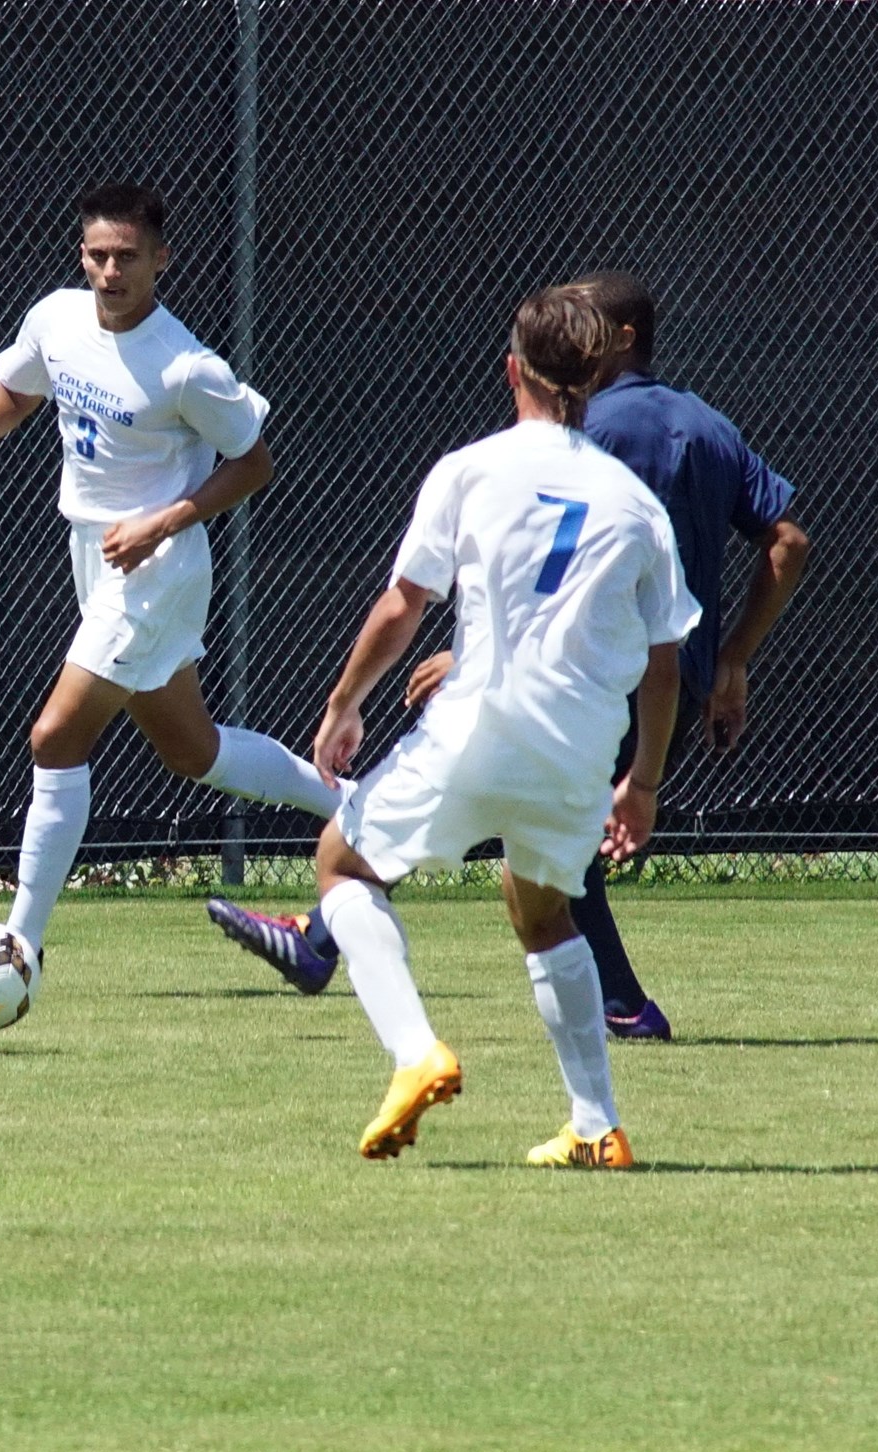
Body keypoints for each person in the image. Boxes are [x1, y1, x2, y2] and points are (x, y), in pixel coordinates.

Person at [208, 270, 810, 1041]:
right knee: (549, 841)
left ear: (618, 340)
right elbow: (787, 542)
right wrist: (730, 660)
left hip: (579, 672)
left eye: (584, 322)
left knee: (541, 855)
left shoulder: (586, 432)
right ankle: (326, 936)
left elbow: (550, 560)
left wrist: (469, 660)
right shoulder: (710, 426)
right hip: (667, 674)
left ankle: (615, 1008)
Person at [304, 286, 700, 1165]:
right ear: (595, 376)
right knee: (542, 909)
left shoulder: (471, 469)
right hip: (583, 745)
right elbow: (667, 663)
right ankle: (597, 1127)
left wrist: (343, 704)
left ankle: (416, 1055)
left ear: (512, 370)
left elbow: (405, 604)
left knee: (341, 863)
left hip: (480, 723)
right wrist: (642, 784)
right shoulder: (636, 504)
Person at [0, 182, 343, 964]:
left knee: (54, 736)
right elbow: (18, 389)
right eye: (96, 255)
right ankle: (359, 809)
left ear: (160, 260)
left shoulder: (186, 368)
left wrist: (163, 521)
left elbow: (254, 464)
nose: (109, 271)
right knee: (191, 748)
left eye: (126, 257)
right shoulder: (55, 317)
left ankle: (21, 945)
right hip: (94, 551)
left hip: (158, 566)